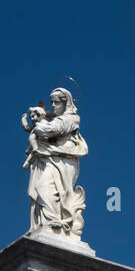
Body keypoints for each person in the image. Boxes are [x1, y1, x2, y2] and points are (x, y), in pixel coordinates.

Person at [20, 88, 88, 239]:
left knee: (44, 187)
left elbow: (53, 130)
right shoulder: (52, 120)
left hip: (63, 162)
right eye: (52, 103)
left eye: (56, 103)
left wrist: (39, 127)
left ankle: (55, 223)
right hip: (50, 160)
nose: (53, 106)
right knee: (39, 190)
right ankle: (46, 224)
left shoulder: (71, 119)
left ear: (65, 103)